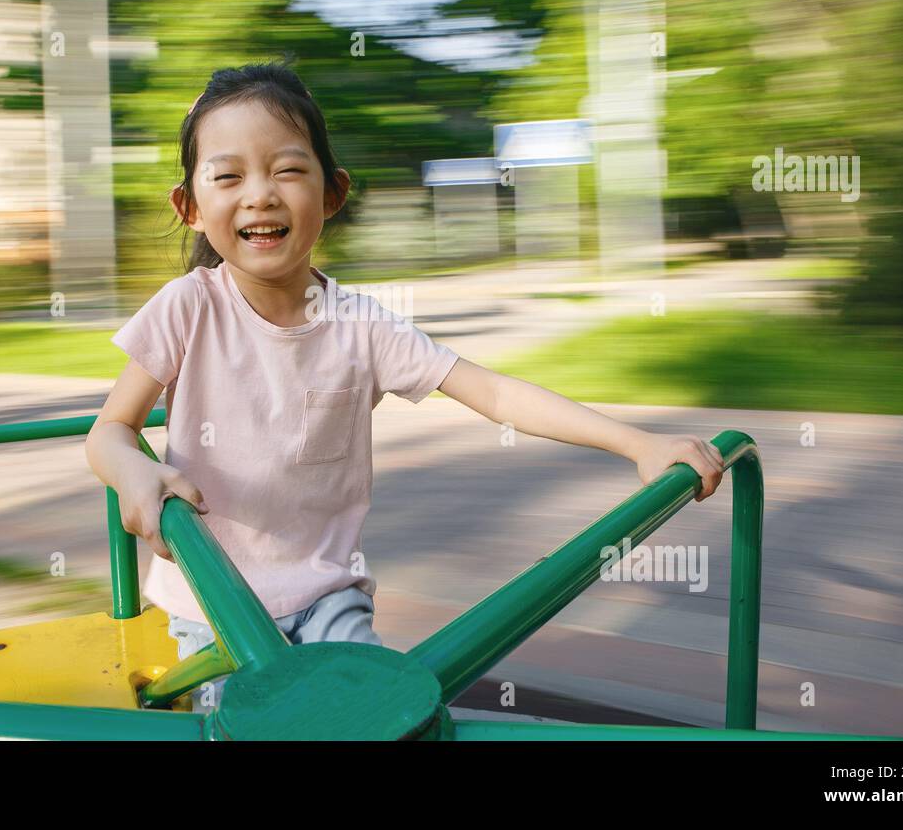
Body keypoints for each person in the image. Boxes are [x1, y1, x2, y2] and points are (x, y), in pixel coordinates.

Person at [85, 61, 726, 713]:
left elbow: (495, 394)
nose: (260, 195)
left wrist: (638, 443)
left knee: (380, 719)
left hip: (325, 599)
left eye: (286, 169)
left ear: (332, 194)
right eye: (229, 176)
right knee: (242, 726)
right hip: (209, 604)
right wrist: (135, 476)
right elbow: (110, 429)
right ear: (190, 207)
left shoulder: (361, 326)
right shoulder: (187, 307)